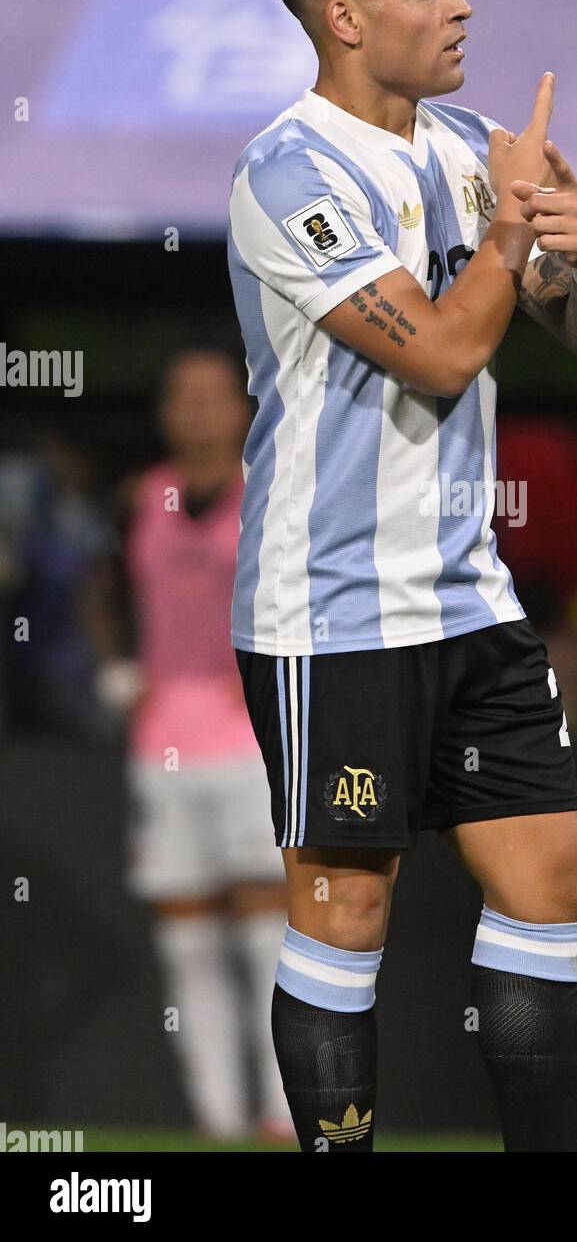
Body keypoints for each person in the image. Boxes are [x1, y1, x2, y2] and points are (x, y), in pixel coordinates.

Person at [227, 0, 577, 1152]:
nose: (462, 4)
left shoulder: (472, 147)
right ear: (343, 16)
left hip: (470, 596)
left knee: (552, 872)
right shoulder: (286, 173)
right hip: (333, 607)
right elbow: (447, 355)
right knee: (349, 901)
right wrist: (515, 230)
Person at [122, 350, 295, 1142]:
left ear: (242, 406)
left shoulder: (274, 488)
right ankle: (217, 1122)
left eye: (212, 396)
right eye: (181, 396)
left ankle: (284, 1115)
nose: (196, 412)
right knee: (187, 939)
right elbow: (116, 597)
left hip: (247, 741)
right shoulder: (143, 498)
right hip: (162, 745)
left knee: (268, 930)